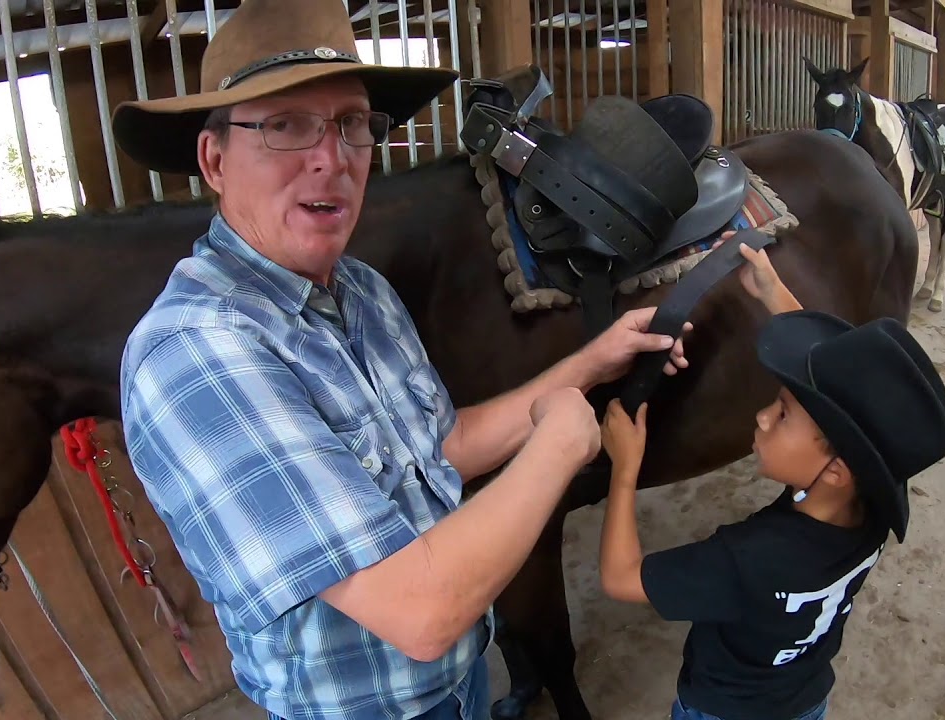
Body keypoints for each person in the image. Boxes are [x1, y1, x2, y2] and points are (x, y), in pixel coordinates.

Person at [110, 1, 695, 718]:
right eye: (285, 126)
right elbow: (420, 612)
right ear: (214, 160)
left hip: (461, 685)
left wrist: (593, 363)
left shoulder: (362, 290)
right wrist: (563, 441)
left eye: (352, 124)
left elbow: (442, 445)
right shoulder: (196, 353)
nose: (331, 158)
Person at [595, 243, 945, 720]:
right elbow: (834, 391)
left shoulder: (746, 559)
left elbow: (620, 578)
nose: (763, 418)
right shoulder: (867, 498)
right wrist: (773, 292)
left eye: (782, 413)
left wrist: (625, 468)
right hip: (804, 699)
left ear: (835, 471)